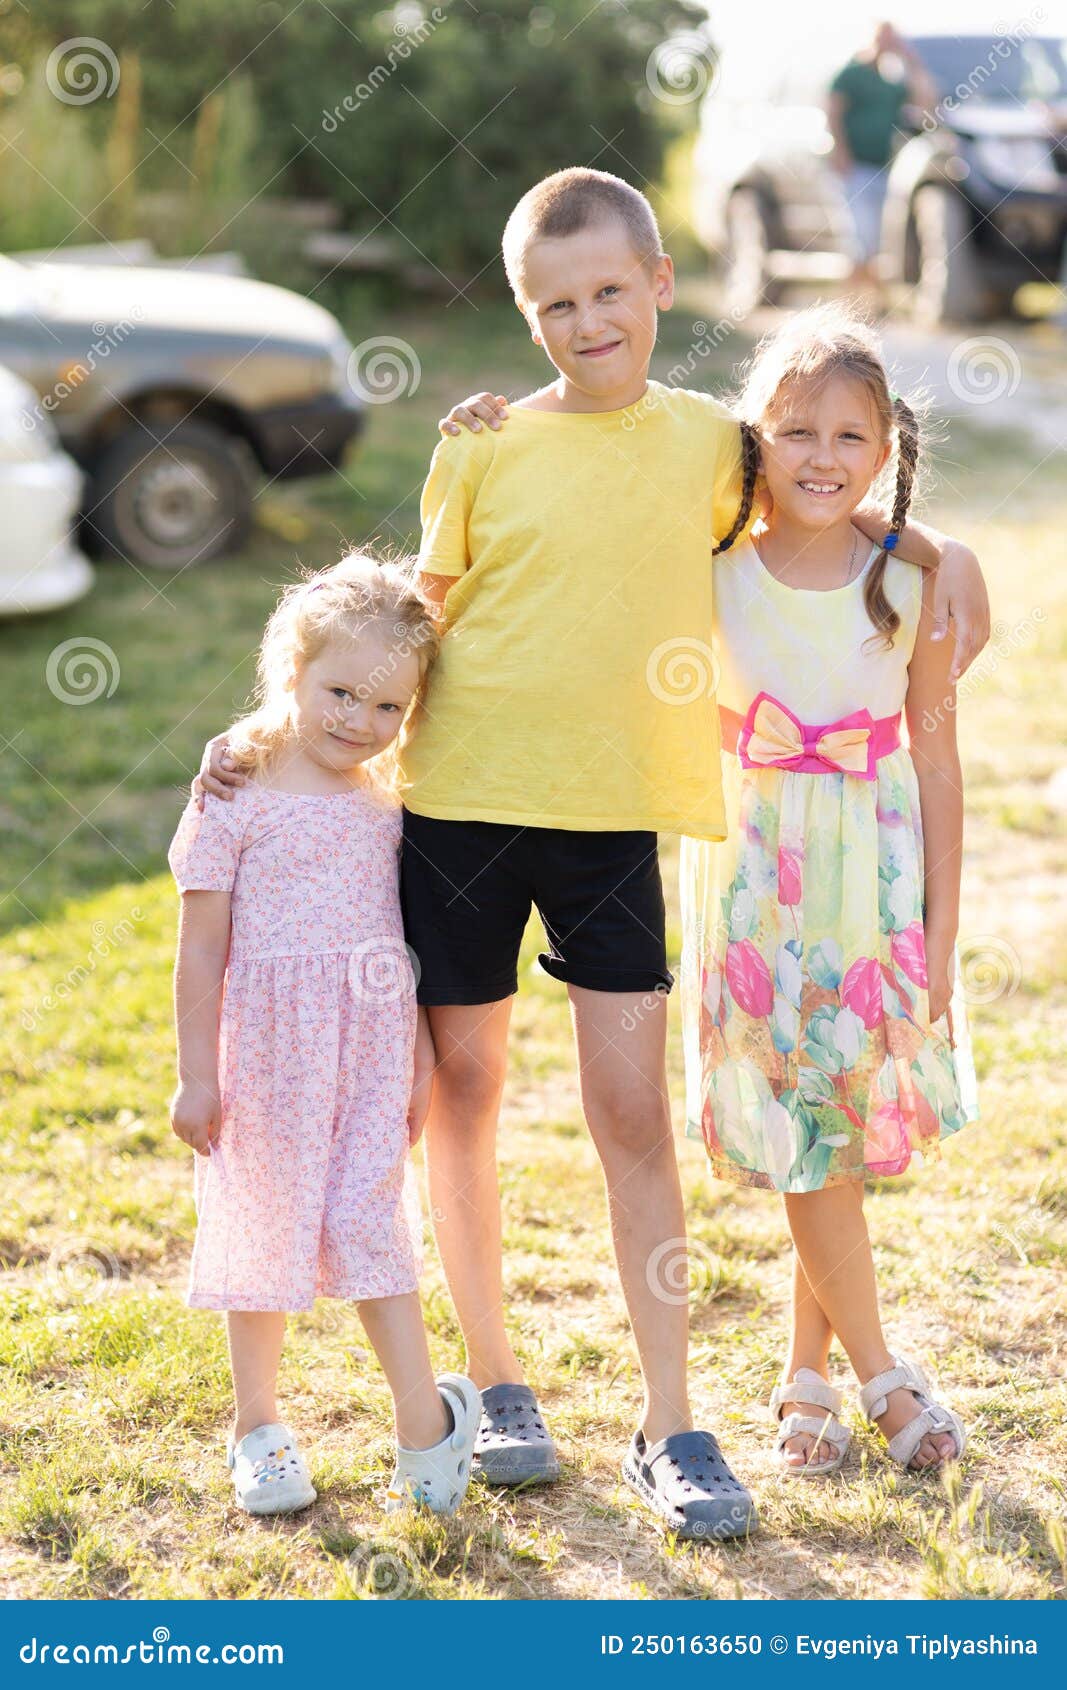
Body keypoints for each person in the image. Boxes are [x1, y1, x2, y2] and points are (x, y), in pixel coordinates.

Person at [198, 168, 990, 1541]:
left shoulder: (705, 445)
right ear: (525, 311)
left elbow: (821, 486)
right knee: (463, 1084)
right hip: (455, 813)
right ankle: (494, 1381)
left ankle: (669, 1420)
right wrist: (274, 725)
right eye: (555, 302)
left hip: (611, 824)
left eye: (610, 291)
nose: (585, 320)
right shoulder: (484, 446)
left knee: (630, 1115)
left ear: (658, 285)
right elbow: (402, 622)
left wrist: (938, 545)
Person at [681, 303, 978, 1477]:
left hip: (871, 885)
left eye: (849, 437)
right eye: (793, 429)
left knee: (833, 1130)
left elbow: (939, 760)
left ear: (885, 452)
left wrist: (940, 938)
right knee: (803, 1128)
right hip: (755, 887)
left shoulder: (907, 584)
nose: (819, 455)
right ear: (754, 436)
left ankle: (814, 1375)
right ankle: (874, 1373)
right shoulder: (712, 575)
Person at [168, 553, 480, 1517]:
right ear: (289, 673)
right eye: (339, 692)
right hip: (263, 1052)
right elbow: (200, 944)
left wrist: (422, 1056)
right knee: (264, 1224)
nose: (359, 720)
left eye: (387, 707)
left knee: (368, 1220)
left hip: (370, 1045)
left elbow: (403, 938)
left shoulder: (391, 798)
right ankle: (257, 1429)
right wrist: (194, 1077)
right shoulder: (236, 787)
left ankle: (424, 1424)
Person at [828, 23, 939, 295]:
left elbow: (928, 103)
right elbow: (833, 112)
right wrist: (840, 152)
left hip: (883, 169)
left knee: (875, 243)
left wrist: (911, 60)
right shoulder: (850, 74)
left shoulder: (891, 83)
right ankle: (851, 302)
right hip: (854, 169)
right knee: (859, 240)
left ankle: (871, 305)